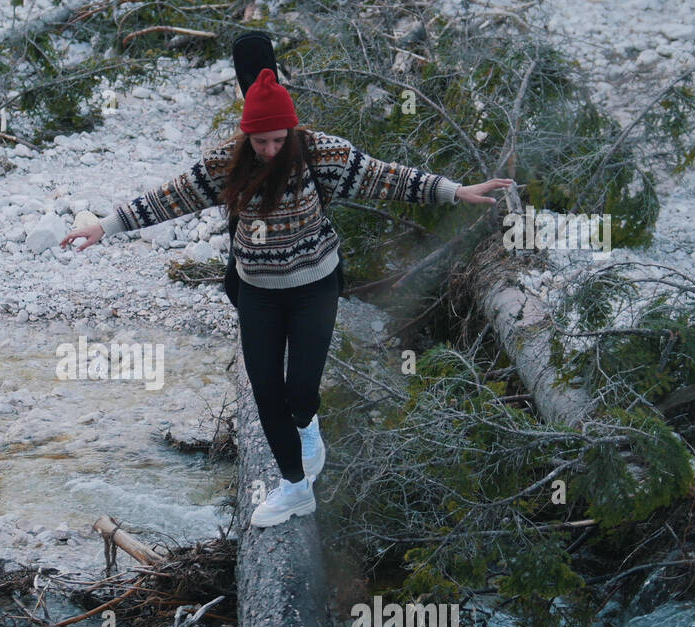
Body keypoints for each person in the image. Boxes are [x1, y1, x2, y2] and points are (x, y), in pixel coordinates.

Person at [60, 68, 513, 528]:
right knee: (265, 393)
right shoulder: (225, 165)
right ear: (247, 136)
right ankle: (295, 489)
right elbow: (169, 198)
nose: (270, 149)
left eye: (278, 140)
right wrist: (106, 225)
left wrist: (454, 190)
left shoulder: (324, 154)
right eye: (261, 142)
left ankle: (308, 423)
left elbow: (387, 178)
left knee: (300, 391)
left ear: (291, 130)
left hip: (314, 287)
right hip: (258, 294)